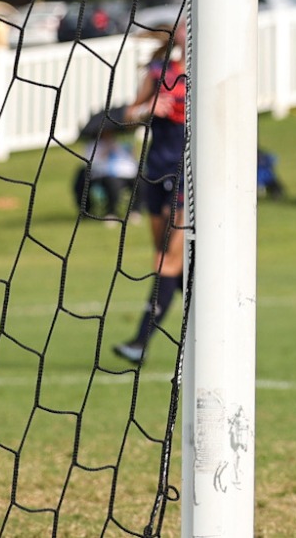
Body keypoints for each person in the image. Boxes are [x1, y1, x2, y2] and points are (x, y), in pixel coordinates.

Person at [112, 21, 187, 365]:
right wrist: (148, 108)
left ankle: (140, 342)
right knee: (170, 260)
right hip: (154, 173)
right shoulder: (159, 72)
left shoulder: (208, 75)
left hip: (186, 176)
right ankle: (215, 329)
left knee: (166, 260)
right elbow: (129, 113)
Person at [74, 114, 137, 223]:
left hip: (123, 174)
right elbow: (91, 163)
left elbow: (129, 162)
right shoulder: (93, 146)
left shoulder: (118, 144)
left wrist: (130, 152)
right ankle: (111, 213)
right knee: (113, 183)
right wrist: (106, 150)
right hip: (101, 175)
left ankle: (136, 211)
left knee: (140, 181)